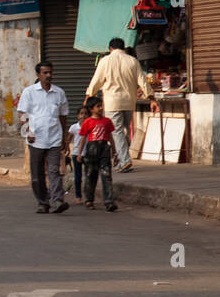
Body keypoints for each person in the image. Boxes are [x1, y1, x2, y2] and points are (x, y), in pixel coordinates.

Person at [85, 37, 159, 173]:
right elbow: (143, 81)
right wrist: (151, 98)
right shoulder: (133, 61)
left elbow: (96, 81)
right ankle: (121, 160)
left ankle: (125, 160)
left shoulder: (105, 61)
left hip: (112, 103)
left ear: (110, 49)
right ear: (124, 48)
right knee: (123, 131)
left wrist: (89, 95)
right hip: (129, 102)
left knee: (117, 132)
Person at [16, 61, 72, 214]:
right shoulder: (29, 92)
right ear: (38, 75)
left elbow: (63, 116)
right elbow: (22, 114)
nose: (49, 75)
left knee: (54, 171)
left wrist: (64, 138)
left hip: (54, 137)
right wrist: (28, 132)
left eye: (50, 72)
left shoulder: (59, 92)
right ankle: (42, 201)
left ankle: (57, 200)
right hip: (36, 139)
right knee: (37, 173)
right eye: (45, 73)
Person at [79, 95, 120, 211]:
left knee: (106, 175)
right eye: (98, 106)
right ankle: (89, 199)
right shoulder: (87, 122)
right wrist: (79, 153)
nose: (101, 108)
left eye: (101, 106)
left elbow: (110, 137)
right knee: (90, 176)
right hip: (92, 149)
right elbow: (83, 138)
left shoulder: (107, 121)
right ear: (91, 109)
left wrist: (114, 151)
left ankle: (109, 201)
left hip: (104, 149)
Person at [67, 105, 88, 206]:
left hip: (88, 154)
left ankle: (88, 196)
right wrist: (66, 148)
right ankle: (78, 196)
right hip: (76, 154)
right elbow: (69, 139)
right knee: (78, 176)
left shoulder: (90, 126)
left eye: (85, 113)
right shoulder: (74, 127)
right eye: (81, 113)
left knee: (89, 176)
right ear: (77, 116)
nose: (83, 116)